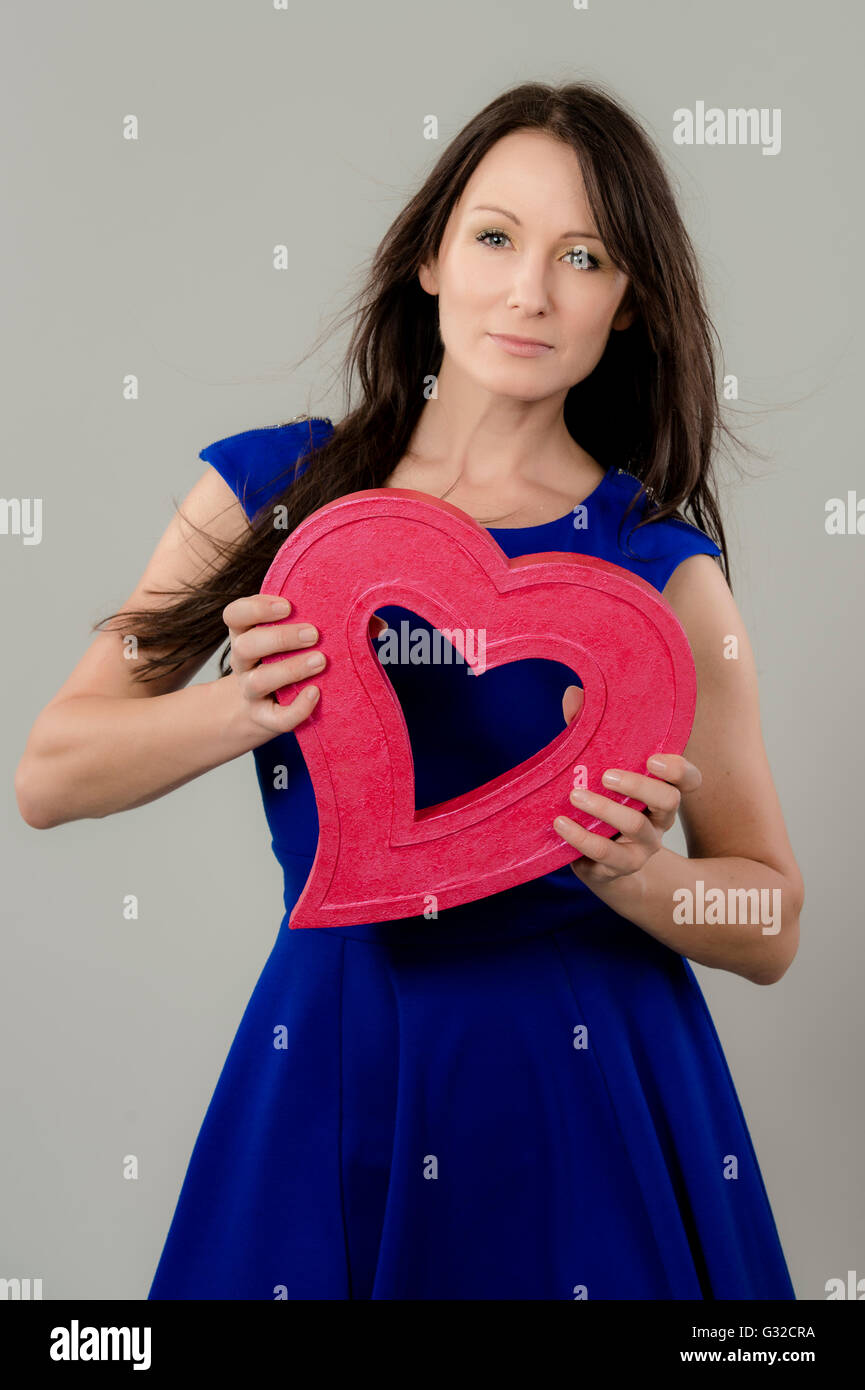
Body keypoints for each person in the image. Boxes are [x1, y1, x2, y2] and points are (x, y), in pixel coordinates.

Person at [15, 80, 804, 1300]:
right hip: (337, 1052)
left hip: (584, 1086)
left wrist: (642, 877)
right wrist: (243, 703)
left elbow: (772, 923)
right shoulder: (271, 494)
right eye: (495, 238)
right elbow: (48, 775)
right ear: (431, 259)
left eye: (582, 257)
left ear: (629, 300)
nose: (529, 290)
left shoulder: (661, 571)